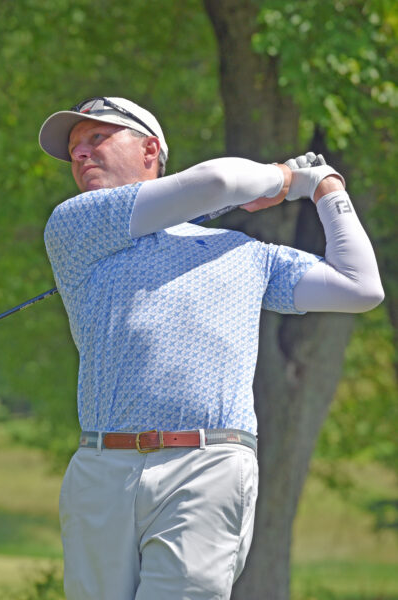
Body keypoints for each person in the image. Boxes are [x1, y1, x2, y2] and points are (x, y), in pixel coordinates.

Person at [37, 96, 384, 599]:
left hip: (206, 465)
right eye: (73, 151)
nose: (81, 155)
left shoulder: (242, 252)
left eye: (97, 138)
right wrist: (288, 179)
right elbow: (221, 184)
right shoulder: (75, 226)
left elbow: (360, 287)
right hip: (102, 467)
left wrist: (327, 189)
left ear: (151, 149)